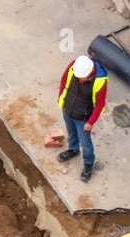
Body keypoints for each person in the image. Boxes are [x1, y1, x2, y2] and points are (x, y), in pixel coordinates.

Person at [56, 54, 108, 182]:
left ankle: (88, 164)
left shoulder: (100, 80)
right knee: (71, 133)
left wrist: (90, 122)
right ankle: (73, 150)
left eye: (83, 78)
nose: (80, 80)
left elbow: (100, 104)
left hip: (83, 117)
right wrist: (61, 99)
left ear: (90, 72)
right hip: (68, 109)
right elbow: (64, 81)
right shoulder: (74, 66)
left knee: (86, 143)